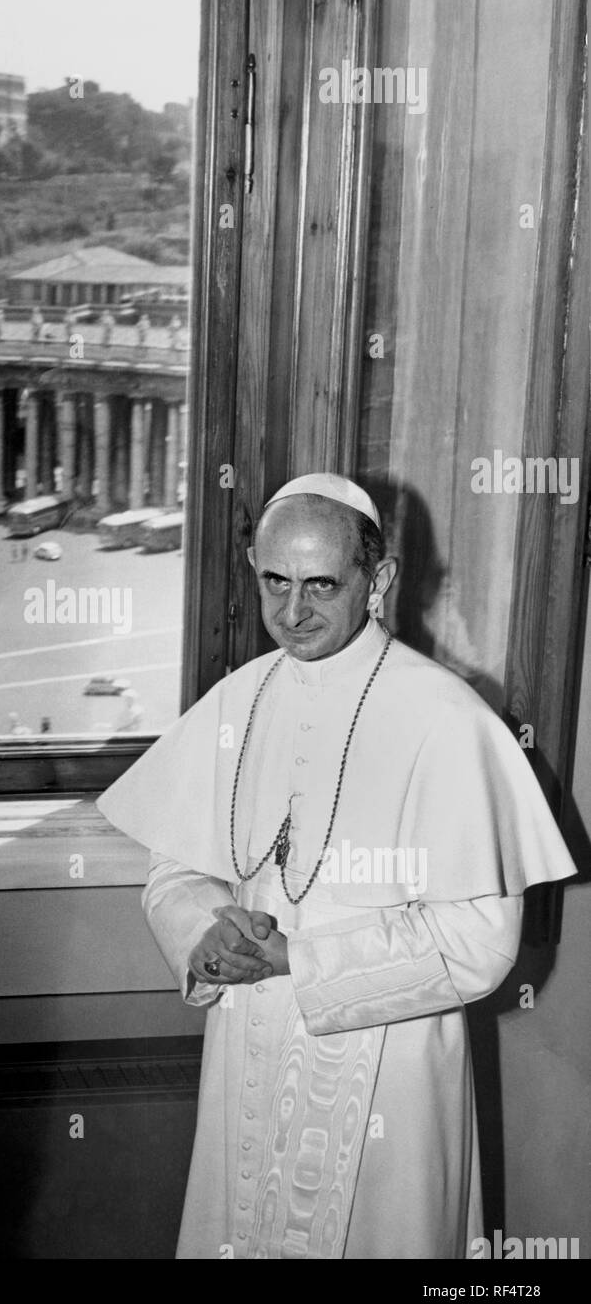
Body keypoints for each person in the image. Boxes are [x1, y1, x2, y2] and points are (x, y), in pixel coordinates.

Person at [96, 473, 575, 1260]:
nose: (292, 613)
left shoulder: (447, 720)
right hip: (249, 1052)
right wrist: (202, 937)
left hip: (392, 1077)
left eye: (321, 585)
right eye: (274, 583)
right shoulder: (237, 702)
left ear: (378, 580)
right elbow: (174, 869)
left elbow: (481, 943)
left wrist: (300, 959)